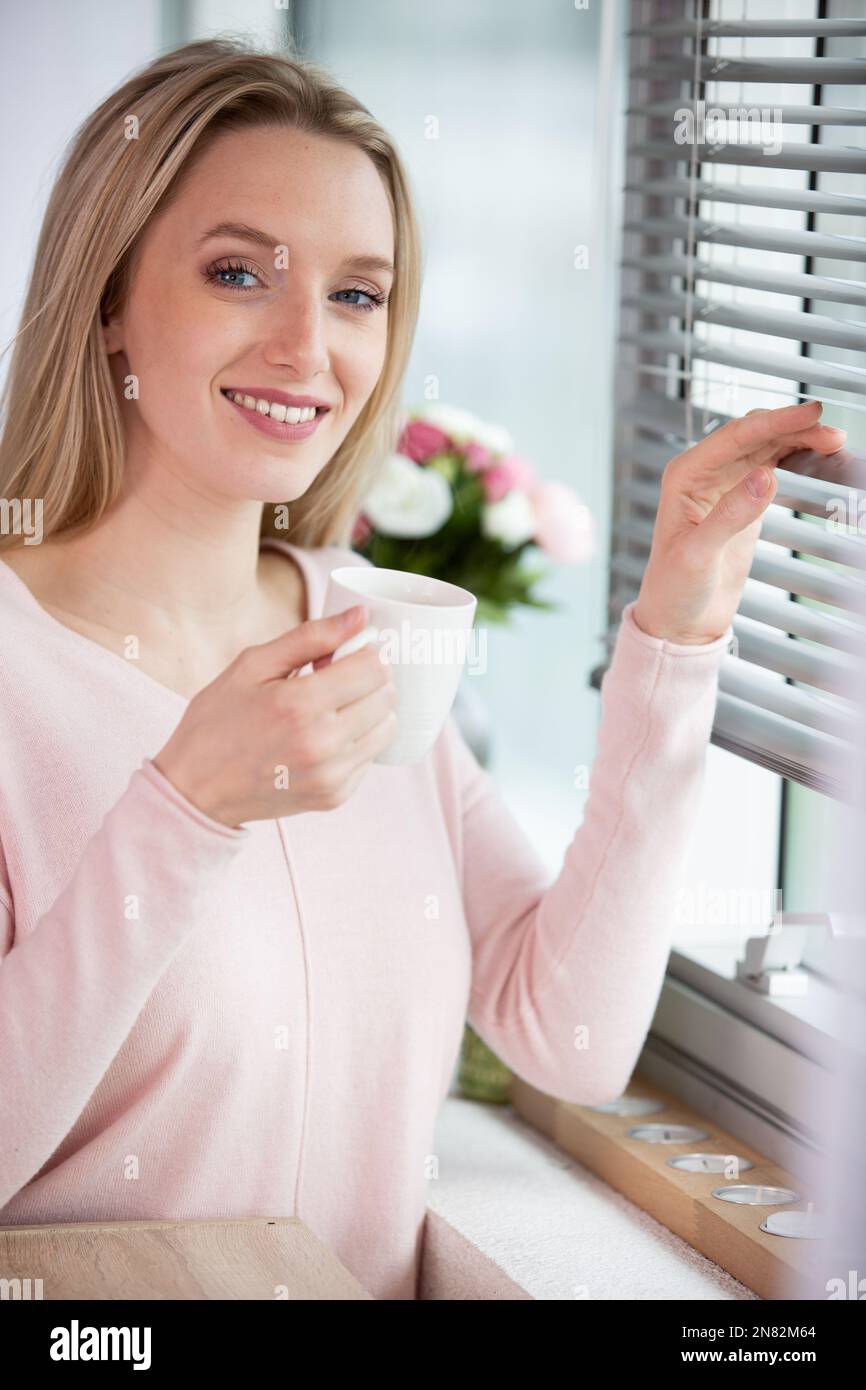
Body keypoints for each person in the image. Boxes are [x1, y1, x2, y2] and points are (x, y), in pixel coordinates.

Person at [0, 37, 846, 1301]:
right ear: (109, 298)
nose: (306, 346)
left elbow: (565, 1031)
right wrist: (184, 809)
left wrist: (675, 637)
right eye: (239, 272)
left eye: (355, 294)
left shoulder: (372, 630)